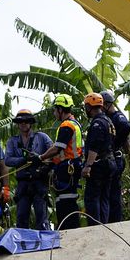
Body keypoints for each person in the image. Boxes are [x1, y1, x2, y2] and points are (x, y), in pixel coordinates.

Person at [4, 109, 53, 230]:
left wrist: (44, 165)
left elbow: (54, 154)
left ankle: (45, 242)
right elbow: (8, 160)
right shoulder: (13, 141)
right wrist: (24, 160)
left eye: (26, 122)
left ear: (30, 123)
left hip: (39, 181)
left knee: (41, 216)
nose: (23, 124)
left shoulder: (42, 138)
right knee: (21, 216)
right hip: (23, 183)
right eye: (20, 122)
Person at [40, 94, 82, 229]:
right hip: (70, 166)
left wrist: (41, 157)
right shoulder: (75, 124)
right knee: (65, 200)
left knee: (66, 202)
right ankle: (68, 229)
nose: (54, 113)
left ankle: (68, 231)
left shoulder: (66, 125)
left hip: (67, 168)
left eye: (54, 110)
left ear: (60, 109)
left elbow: (58, 148)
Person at [80, 92, 115, 225]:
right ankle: (103, 225)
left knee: (92, 197)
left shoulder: (97, 123)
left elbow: (95, 147)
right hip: (110, 162)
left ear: (89, 107)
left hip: (99, 164)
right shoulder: (108, 121)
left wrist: (88, 166)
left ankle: (95, 227)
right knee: (104, 198)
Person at [101, 90, 130, 223]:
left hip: (116, 158)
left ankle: (116, 221)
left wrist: (115, 143)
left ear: (107, 104)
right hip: (110, 159)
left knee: (114, 192)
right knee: (108, 191)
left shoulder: (117, 117)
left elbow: (125, 127)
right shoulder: (107, 118)